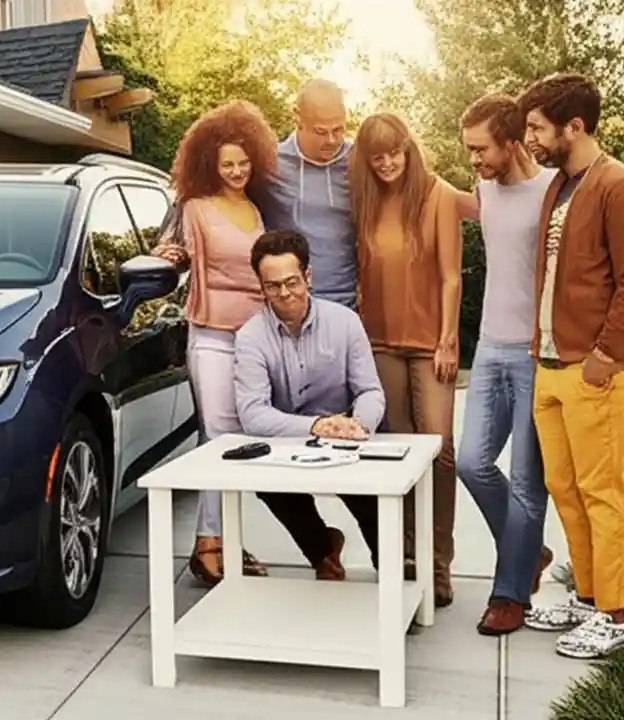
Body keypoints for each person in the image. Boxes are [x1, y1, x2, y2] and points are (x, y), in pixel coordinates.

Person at [515, 73, 624, 660]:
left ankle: (616, 612)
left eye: (537, 128)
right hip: (550, 361)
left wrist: (604, 358)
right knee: (564, 487)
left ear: (575, 126)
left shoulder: (619, 187)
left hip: (595, 367)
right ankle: (591, 593)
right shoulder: (561, 186)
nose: (530, 140)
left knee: (602, 488)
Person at [150, 101, 279, 585]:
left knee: (240, 441)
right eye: (227, 163)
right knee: (218, 438)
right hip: (211, 336)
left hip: (256, 339)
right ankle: (209, 546)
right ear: (210, 163)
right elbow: (176, 252)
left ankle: (223, 540)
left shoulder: (253, 208)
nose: (237, 171)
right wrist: (169, 256)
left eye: (244, 162)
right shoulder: (196, 207)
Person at [350, 112, 464, 607]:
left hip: (429, 343)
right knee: (395, 453)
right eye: (378, 157)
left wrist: (448, 339)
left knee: (438, 450)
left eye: (395, 152)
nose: (389, 163)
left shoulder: (437, 193)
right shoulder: (365, 200)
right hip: (380, 343)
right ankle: (407, 559)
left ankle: (440, 564)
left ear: (408, 149)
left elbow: (450, 276)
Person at [454, 93, 558, 635]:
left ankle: (509, 593)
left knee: (526, 481)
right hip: (490, 347)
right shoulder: (484, 191)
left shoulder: (552, 191)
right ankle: (528, 553)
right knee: (471, 461)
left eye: (480, 149)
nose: (474, 159)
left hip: (536, 352)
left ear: (513, 142)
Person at [233, 229, 385, 579]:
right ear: (261, 286)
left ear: (308, 277)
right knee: (271, 485)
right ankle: (322, 553)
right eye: (272, 286)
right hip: (289, 440)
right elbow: (253, 413)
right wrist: (315, 426)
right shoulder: (250, 337)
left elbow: (370, 391)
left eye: (291, 282)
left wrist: (358, 426)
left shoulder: (345, 321)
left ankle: (393, 574)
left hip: (347, 437)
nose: (284, 293)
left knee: (372, 497)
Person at [253, 78, 357, 309]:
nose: (332, 140)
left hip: (349, 305)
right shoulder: (270, 163)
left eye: (338, 130)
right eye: (321, 131)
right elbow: (211, 191)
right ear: (297, 118)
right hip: (289, 305)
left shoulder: (359, 160)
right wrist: (173, 240)